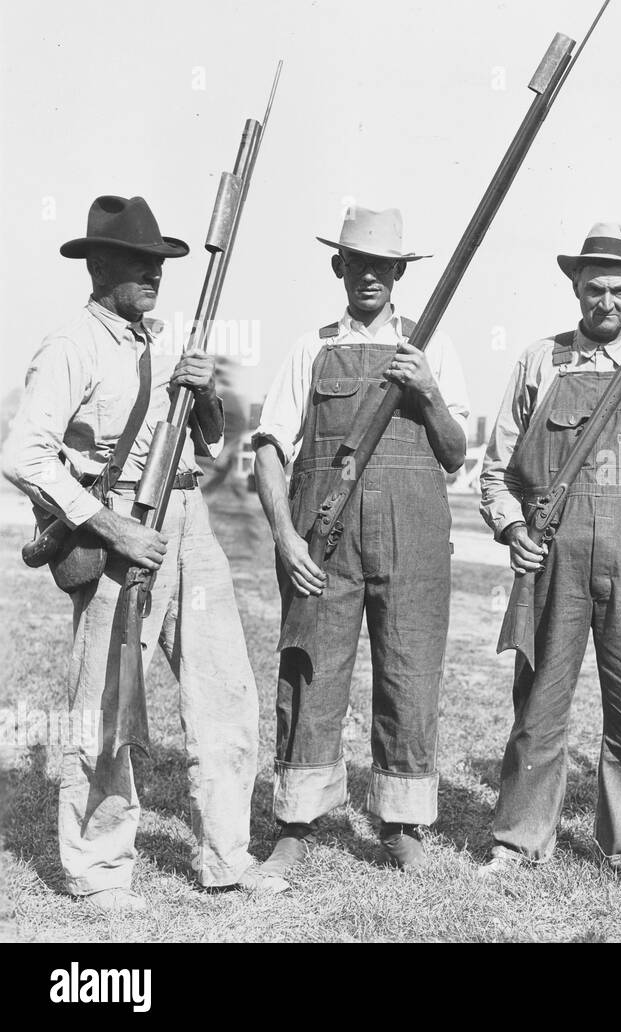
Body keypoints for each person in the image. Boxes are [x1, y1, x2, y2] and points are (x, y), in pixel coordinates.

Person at [2, 195, 264, 910]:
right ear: (99, 266)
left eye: (160, 262)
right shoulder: (71, 346)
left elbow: (206, 443)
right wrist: (111, 528)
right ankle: (97, 871)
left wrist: (204, 393)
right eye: (139, 261)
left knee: (225, 693)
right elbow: (23, 455)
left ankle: (227, 857)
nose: (154, 273)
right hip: (123, 529)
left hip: (191, 521)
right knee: (107, 704)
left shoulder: (154, 342)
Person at [478, 222, 621, 891]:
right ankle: (519, 842)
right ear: (576, 289)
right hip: (557, 556)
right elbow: (497, 471)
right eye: (595, 288)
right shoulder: (540, 360)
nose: (607, 301)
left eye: (620, 291)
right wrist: (512, 528)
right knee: (540, 702)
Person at [252, 206, 469, 877]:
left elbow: (457, 452)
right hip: (325, 540)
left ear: (399, 274)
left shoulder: (433, 351)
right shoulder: (309, 347)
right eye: (358, 262)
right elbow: (266, 449)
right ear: (339, 266)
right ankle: (295, 823)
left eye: (383, 266)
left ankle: (401, 825)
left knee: (410, 673)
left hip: (415, 539)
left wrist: (428, 391)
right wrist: (286, 537)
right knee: (310, 671)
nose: (369, 275)